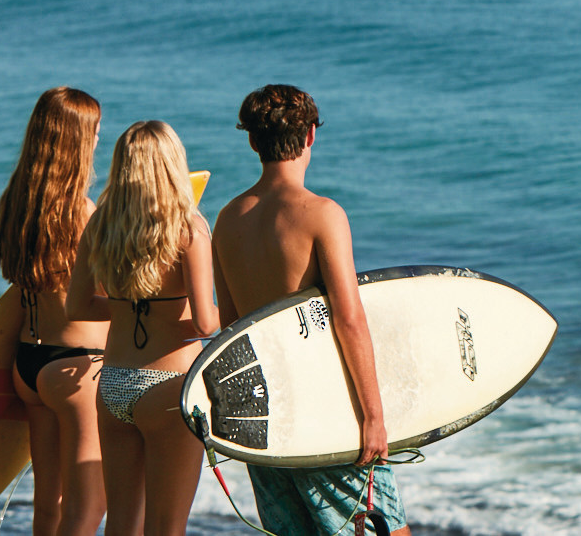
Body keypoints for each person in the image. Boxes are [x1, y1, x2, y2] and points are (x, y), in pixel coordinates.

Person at [212, 85, 411, 536]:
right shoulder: (322, 214)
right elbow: (349, 319)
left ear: (252, 141)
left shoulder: (227, 219)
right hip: (326, 411)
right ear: (310, 136)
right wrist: (374, 417)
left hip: (265, 420)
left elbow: (230, 328)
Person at [66, 121, 218, 536]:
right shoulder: (189, 229)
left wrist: (128, 309)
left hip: (113, 383)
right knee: (166, 527)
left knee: (121, 524)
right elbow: (205, 322)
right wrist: (243, 311)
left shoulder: (101, 225)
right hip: (170, 388)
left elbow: (77, 307)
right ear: (174, 164)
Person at [0, 88, 108, 536]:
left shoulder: (16, 203)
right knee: (88, 508)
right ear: (76, 140)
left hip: (29, 364)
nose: (98, 139)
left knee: (49, 507)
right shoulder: (83, 212)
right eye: (94, 131)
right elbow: (99, 297)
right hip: (77, 367)